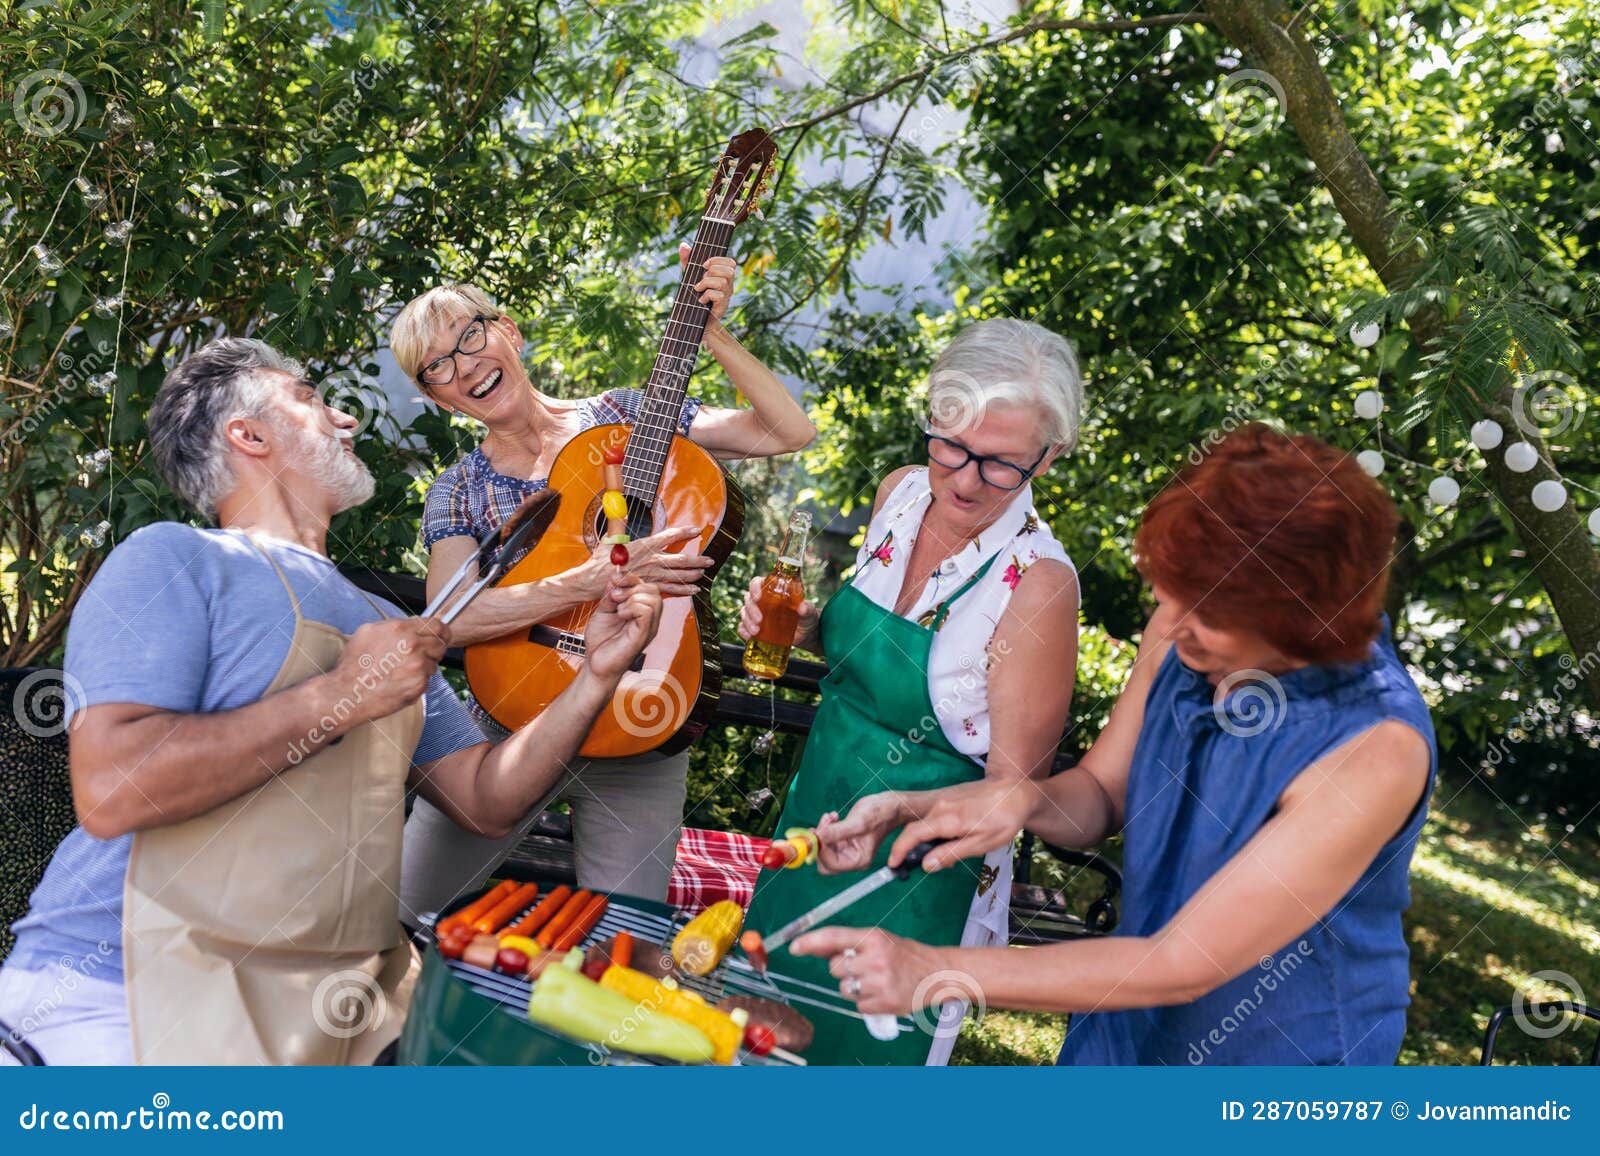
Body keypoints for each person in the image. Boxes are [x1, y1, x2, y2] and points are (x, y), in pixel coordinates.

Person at [0, 339, 662, 1065]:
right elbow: (113, 788)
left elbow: (484, 798)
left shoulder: (377, 616)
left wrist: (595, 677)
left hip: (322, 1023)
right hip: (118, 1000)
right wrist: (344, 693)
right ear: (247, 435)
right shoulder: (176, 559)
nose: (346, 420)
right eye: (310, 396)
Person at [792, 424, 1437, 1066]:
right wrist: (1000, 803)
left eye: (1203, 613)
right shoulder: (1188, 626)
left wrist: (933, 969)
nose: (1171, 621)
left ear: (1298, 616)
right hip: (1123, 1020)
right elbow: (1098, 797)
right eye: (1169, 596)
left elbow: (1186, 962)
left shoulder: (1378, 748)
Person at [392, 250, 814, 916]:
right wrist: (586, 579)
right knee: (397, 908)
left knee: (626, 951)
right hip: (513, 726)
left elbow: (787, 431)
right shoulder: (460, 489)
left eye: (469, 336)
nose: (463, 364)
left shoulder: (626, 417)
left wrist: (714, 336)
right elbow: (455, 620)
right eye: (436, 366)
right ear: (434, 395)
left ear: (509, 331)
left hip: (640, 721)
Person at [738, 318, 1084, 1065]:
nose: (962, 480)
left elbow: (1009, 795)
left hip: (917, 884)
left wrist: (897, 840)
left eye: (1000, 466)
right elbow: (865, 657)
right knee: (749, 1048)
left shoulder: (1040, 587)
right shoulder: (897, 495)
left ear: (1047, 460)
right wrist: (801, 629)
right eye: (950, 445)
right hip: (810, 828)